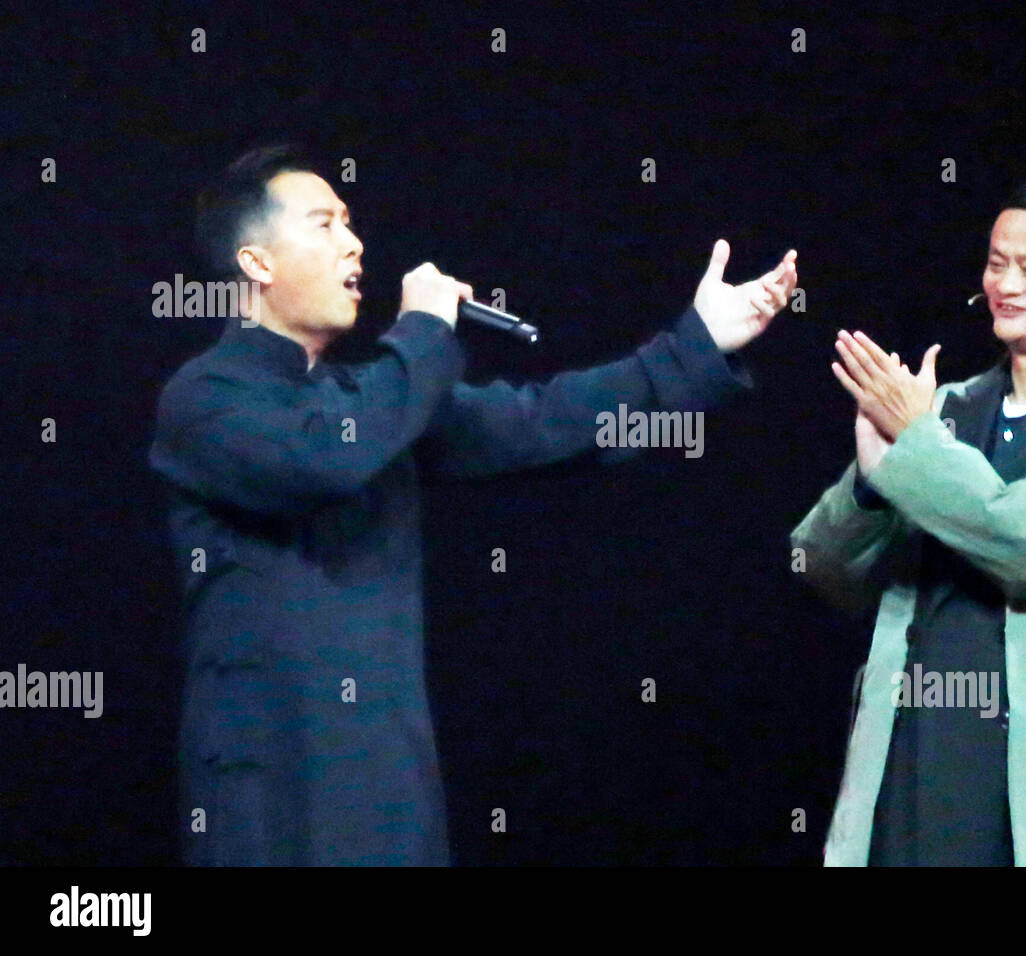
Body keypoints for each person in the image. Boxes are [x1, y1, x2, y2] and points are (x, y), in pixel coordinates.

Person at [149, 144, 797, 865]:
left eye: (350, 221)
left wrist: (694, 347)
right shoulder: (205, 399)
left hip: (390, 796)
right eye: (324, 223)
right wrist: (423, 329)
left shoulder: (372, 400)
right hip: (273, 801)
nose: (354, 241)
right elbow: (328, 460)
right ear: (257, 263)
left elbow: (542, 423)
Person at [791, 170, 1026, 865]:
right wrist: (874, 485)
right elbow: (820, 567)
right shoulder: (944, 411)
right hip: (911, 760)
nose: (1005, 284)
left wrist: (916, 449)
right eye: (997, 263)